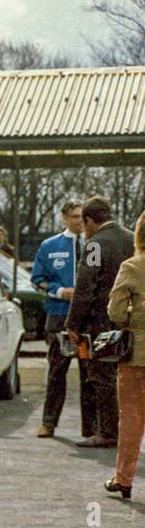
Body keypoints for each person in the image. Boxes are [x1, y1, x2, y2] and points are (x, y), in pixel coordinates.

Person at [67, 196, 135, 448]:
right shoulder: (131, 238)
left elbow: (85, 287)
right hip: (130, 318)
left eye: (85, 224)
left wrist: (72, 323)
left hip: (101, 321)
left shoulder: (95, 245)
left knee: (102, 377)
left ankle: (107, 432)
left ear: (90, 220)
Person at [31, 201, 95, 439]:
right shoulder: (50, 246)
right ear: (65, 219)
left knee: (89, 373)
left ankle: (91, 427)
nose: (81, 221)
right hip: (59, 315)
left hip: (87, 319)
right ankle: (48, 423)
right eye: (76, 217)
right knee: (57, 371)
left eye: (84, 217)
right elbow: (37, 279)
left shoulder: (94, 245)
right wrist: (59, 291)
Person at [104, 212, 145, 499]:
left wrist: (133, 315)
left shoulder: (132, 266)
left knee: (131, 418)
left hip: (137, 356)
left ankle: (124, 479)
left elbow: (115, 312)